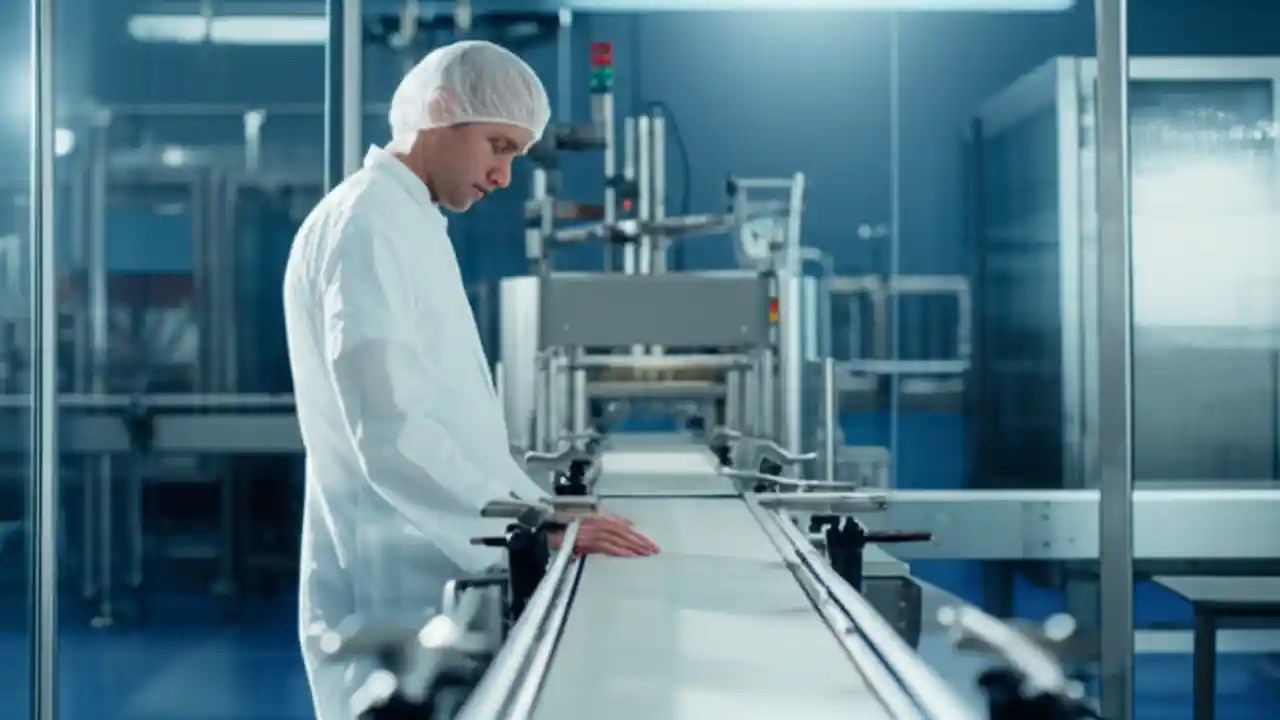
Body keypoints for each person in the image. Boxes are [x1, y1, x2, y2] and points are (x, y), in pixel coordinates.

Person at [282, 40, 659, 720]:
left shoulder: (407, 218)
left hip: (434, 558)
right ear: (440, 111)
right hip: (394, 577)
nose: (505, 174)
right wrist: (531, 524)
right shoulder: (368, 223)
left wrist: (543, 512)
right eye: (499, 146)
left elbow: (436, 412)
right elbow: (391, 428)